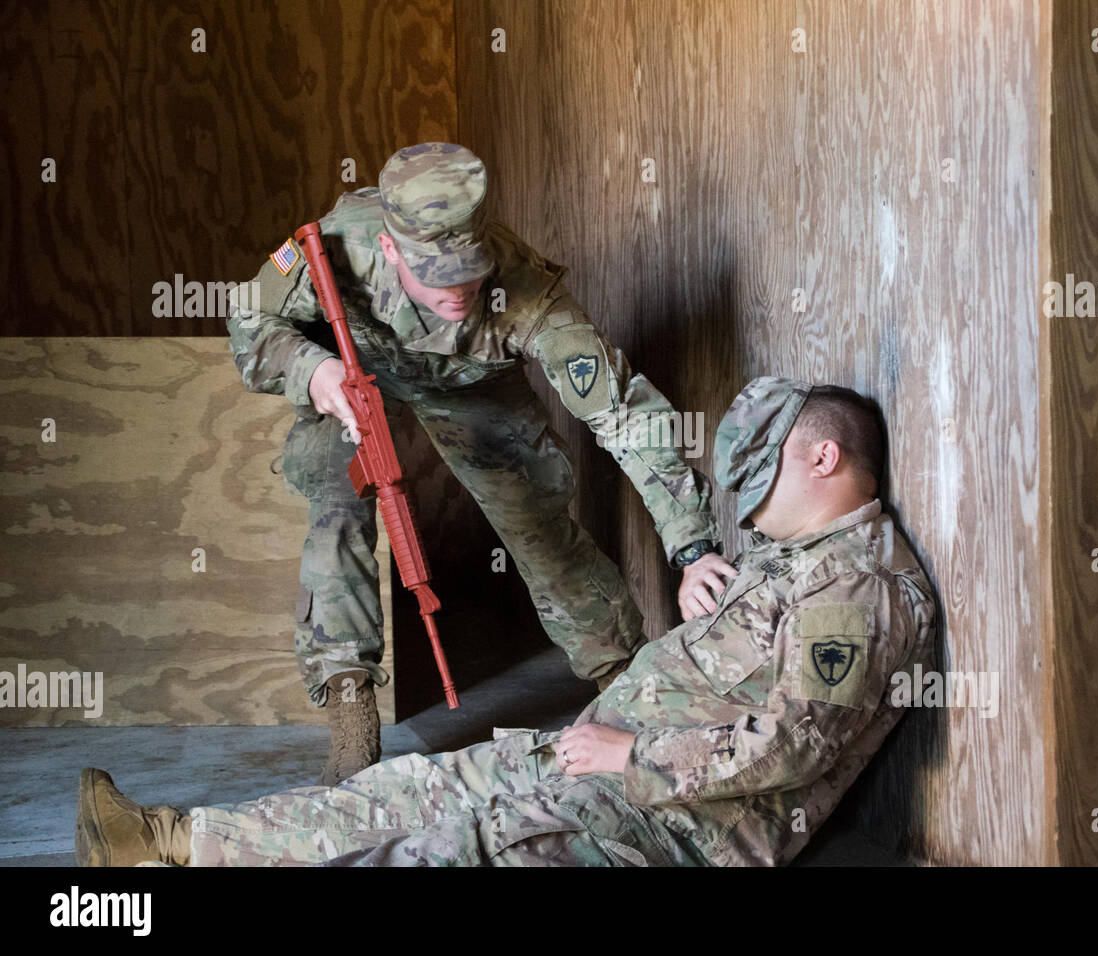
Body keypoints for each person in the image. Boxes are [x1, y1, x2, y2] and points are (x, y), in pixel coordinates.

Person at [75, 377, 936, 867]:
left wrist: (629, 753)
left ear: (823, 458)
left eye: (762, 482)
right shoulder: (797, 565)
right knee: (401, 790)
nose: (747, 514)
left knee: (446, 851)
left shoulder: (859, 594)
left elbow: (794, 745)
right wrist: (697, 601)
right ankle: (168, 844)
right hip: (601, 761)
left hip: (672, 822)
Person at [225, 143, 732, 784]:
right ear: (389, 250)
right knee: (336, 502)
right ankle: (351, 716)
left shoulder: (524, 291)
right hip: (351, 376)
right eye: (434, 272)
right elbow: (248, 317)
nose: (457, 290)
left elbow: (625, 414)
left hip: (470, 387)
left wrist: (691, 548)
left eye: (468, 269)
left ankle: (626, 683)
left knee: (537, 524)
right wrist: (310, 367)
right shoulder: (334, 245)